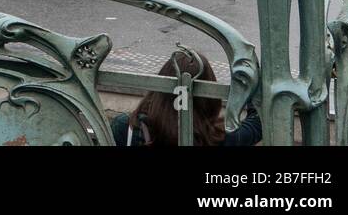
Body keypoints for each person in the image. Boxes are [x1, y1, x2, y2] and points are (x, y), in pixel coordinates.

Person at [111, 50, 261, 146]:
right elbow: (258, 122)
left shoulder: (126, 127)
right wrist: (248, 77)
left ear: (159, 88)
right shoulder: (218, 138)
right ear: (208, 100)